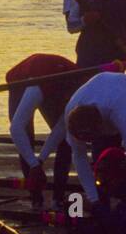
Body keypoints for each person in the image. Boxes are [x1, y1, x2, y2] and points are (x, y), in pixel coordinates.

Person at [65, 71, 126, 203]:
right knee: (101, 167)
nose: (87, 143)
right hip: (109, 97)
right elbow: (79, 157)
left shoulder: (122, 112)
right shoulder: (71, 111)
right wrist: (93, 199)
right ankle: (102, 203)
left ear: (101, 127)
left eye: (90, 139)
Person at [6, 52, 81, 205]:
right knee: (25, 137)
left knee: (65, 141)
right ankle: (35, 196)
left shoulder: (79, 93)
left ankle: (58, 197)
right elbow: (16, 128)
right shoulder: (39, 87)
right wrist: (34, 165)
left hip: (57, 77)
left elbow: (61, 129)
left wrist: (40, 160)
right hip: (22, 80)